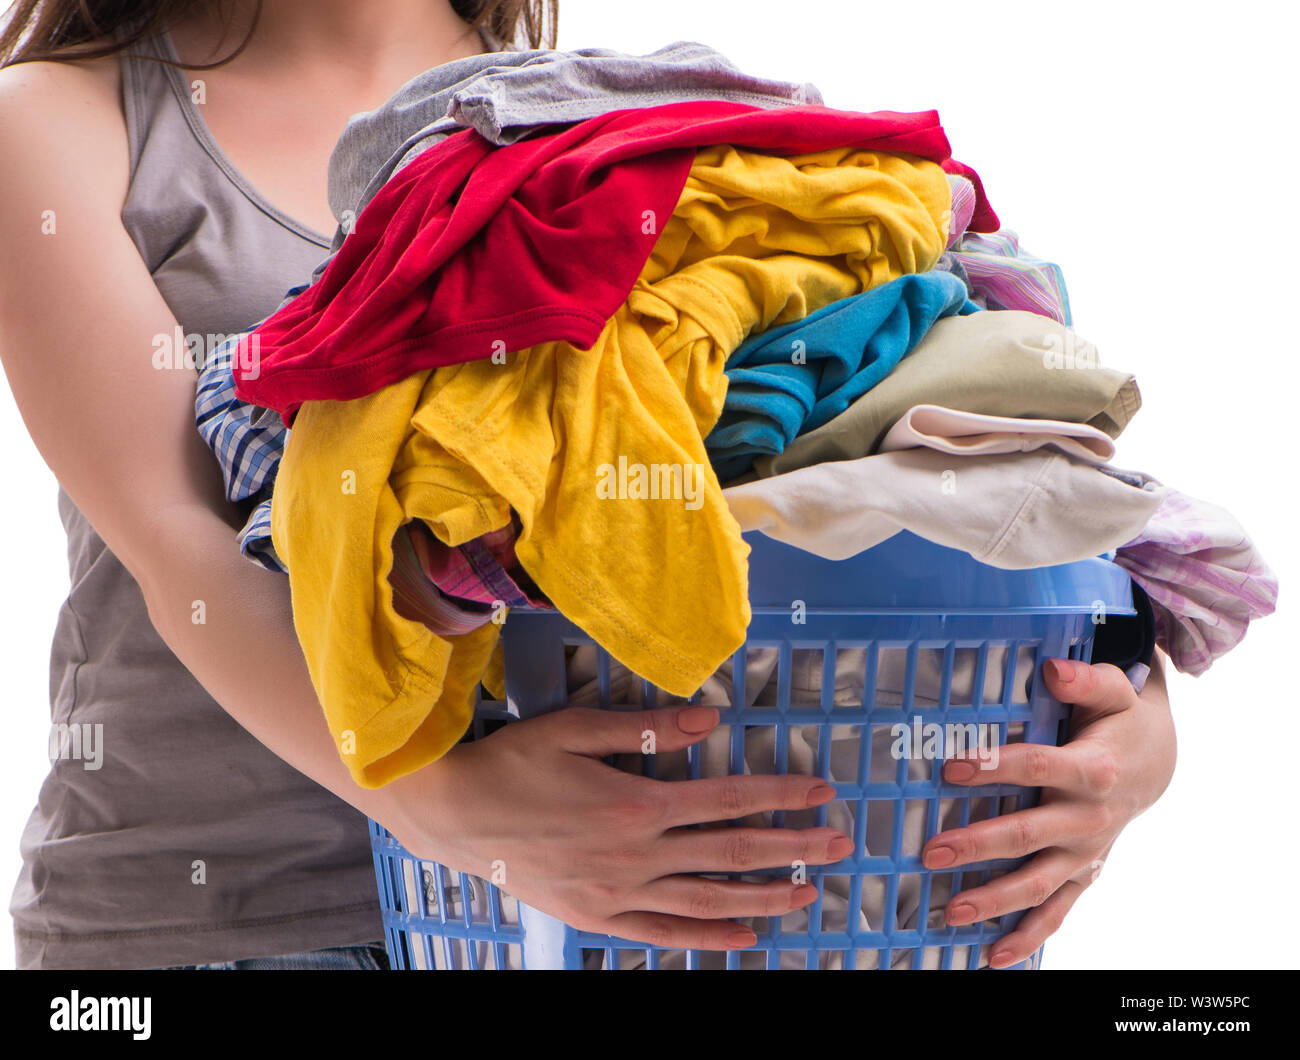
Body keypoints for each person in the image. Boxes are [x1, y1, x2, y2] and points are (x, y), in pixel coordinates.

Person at [0, 0, 1178, 971]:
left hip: (582, 921)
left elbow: (885, 479)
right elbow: (174, 542)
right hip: (213, 924)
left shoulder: (600, 119)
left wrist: (1128, 733)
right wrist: (451, 810)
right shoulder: (62, 123)